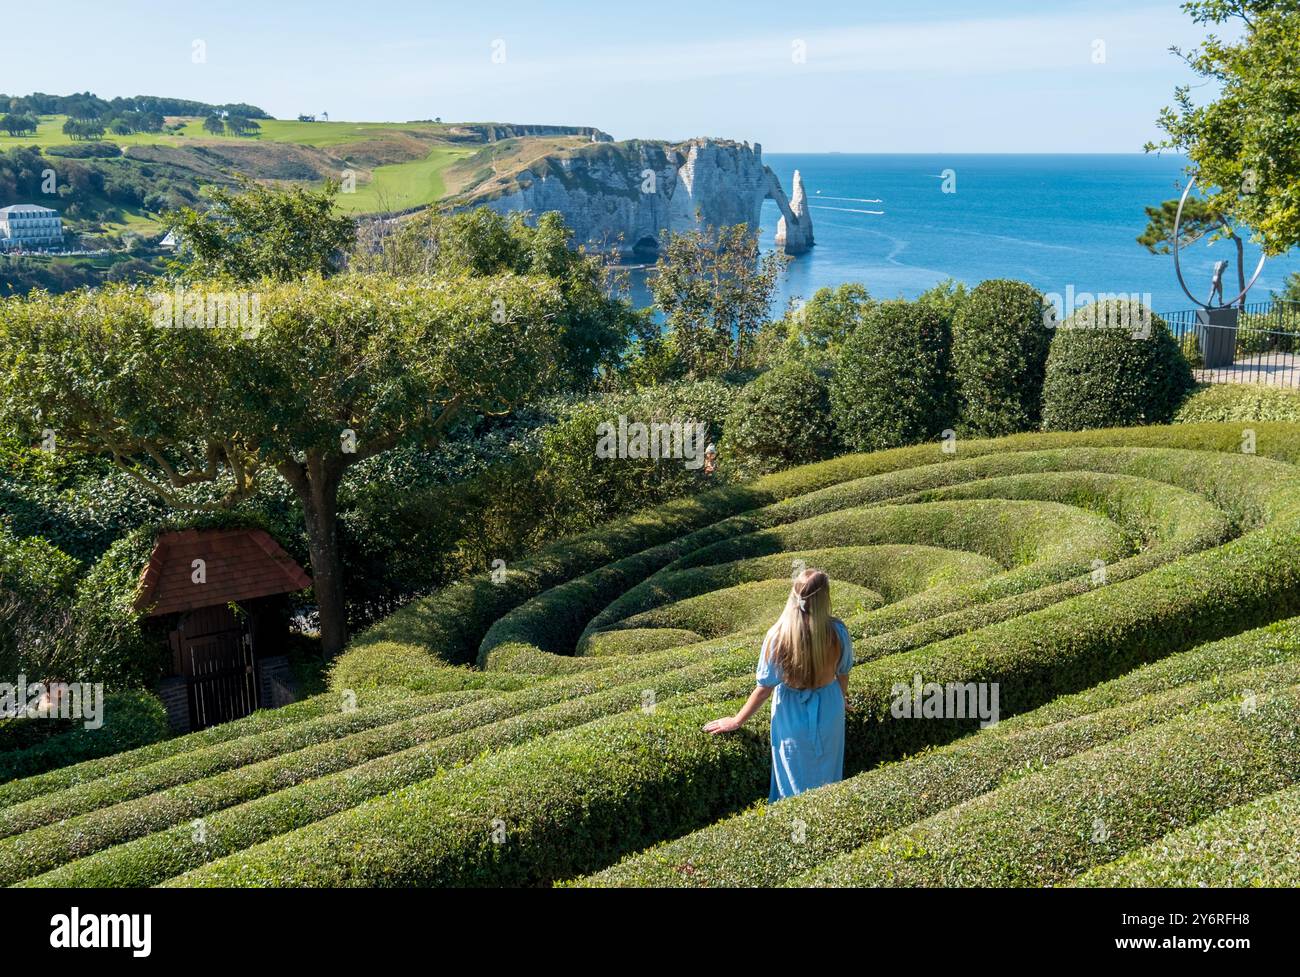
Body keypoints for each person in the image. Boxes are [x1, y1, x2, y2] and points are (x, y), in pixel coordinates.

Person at [703, 568, 854, 802]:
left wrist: (736, 720)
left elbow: (764, 688)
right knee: (828, 775)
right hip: (829, 708)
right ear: (826, 598)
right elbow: (843, 673)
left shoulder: (778, 635)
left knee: (792, 778)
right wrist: (841, 698)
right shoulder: (837, 631)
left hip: (791, 713)